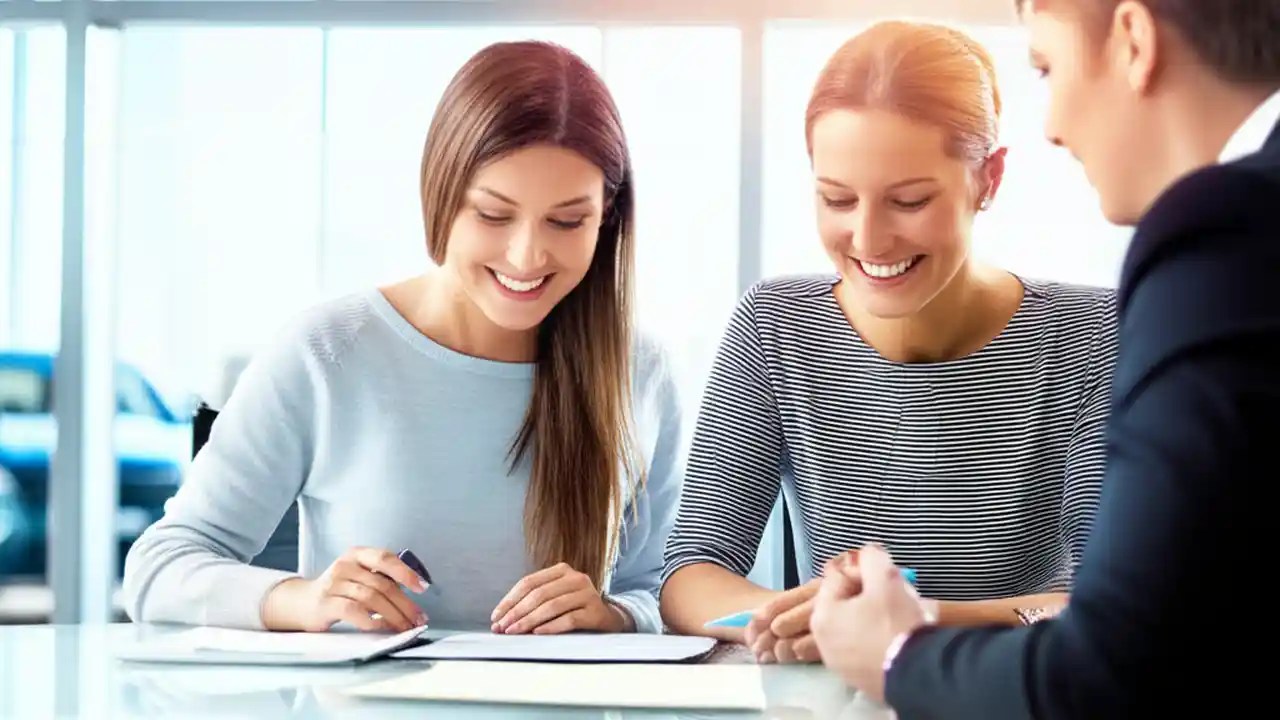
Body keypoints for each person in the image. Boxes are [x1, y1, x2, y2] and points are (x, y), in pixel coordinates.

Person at [810, 0, 1280, 715]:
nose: (1054, 126)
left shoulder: (1228, 233)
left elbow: (1115, 668)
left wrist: (895, 650)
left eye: (1047, 67)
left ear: (1132, 39)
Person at [122, 40, 684, 636]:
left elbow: (663, 590)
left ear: (607, 219)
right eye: (493, 215)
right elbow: (159, 570)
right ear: (441, 195)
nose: (527, 255)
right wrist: (302, 599)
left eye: (567, 221)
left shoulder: (641, 372)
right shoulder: (328, 353)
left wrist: (616, 614)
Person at [660, 20, 1118, 663]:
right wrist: (796, 621)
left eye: (907, 201)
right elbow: (690, 573)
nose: (869, 241)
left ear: (988, 179)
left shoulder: (1093, 337)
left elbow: (1095, 603)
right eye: (837, 199)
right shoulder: (774, 325)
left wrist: (911, 627)